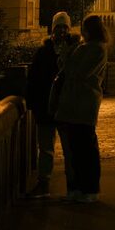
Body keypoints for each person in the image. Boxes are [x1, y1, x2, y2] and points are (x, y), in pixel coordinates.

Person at [54, 14, 109, 203]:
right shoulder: (83, 47)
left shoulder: (97, 50)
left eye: (84, 27)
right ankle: (78, 188)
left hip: (85, 104)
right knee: (76, 148)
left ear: (90, 29)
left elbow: (78, 72)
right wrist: (67, 52)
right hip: (73, 103)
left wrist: (70, 58)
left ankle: (91, 189)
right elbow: (63, 67)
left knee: (87, 148)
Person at [25, 11, 79, 198]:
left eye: (65, 27)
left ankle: (73, 186)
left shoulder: (75, 51)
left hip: (66, 108)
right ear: (53, 29)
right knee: (46, 148)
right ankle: (44, 183)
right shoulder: (43, 52)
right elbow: (33, 80)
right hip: (46, 109)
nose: (62, 31)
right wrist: (33, 103)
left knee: (69, 149)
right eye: (59, 27)